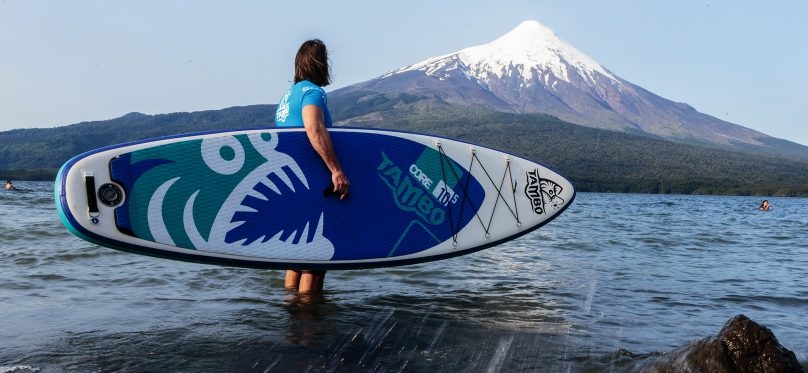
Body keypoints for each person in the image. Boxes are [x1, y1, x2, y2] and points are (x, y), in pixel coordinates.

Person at [275, 39, 350, 293]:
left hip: (291, 183)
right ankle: (309, 316)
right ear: (320, 63)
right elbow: (313, 128)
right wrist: (336, 170)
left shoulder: (287, 98)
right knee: (316, 258)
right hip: (311, 182)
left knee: (297, 252)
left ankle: (292, 310)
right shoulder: (312, 93)